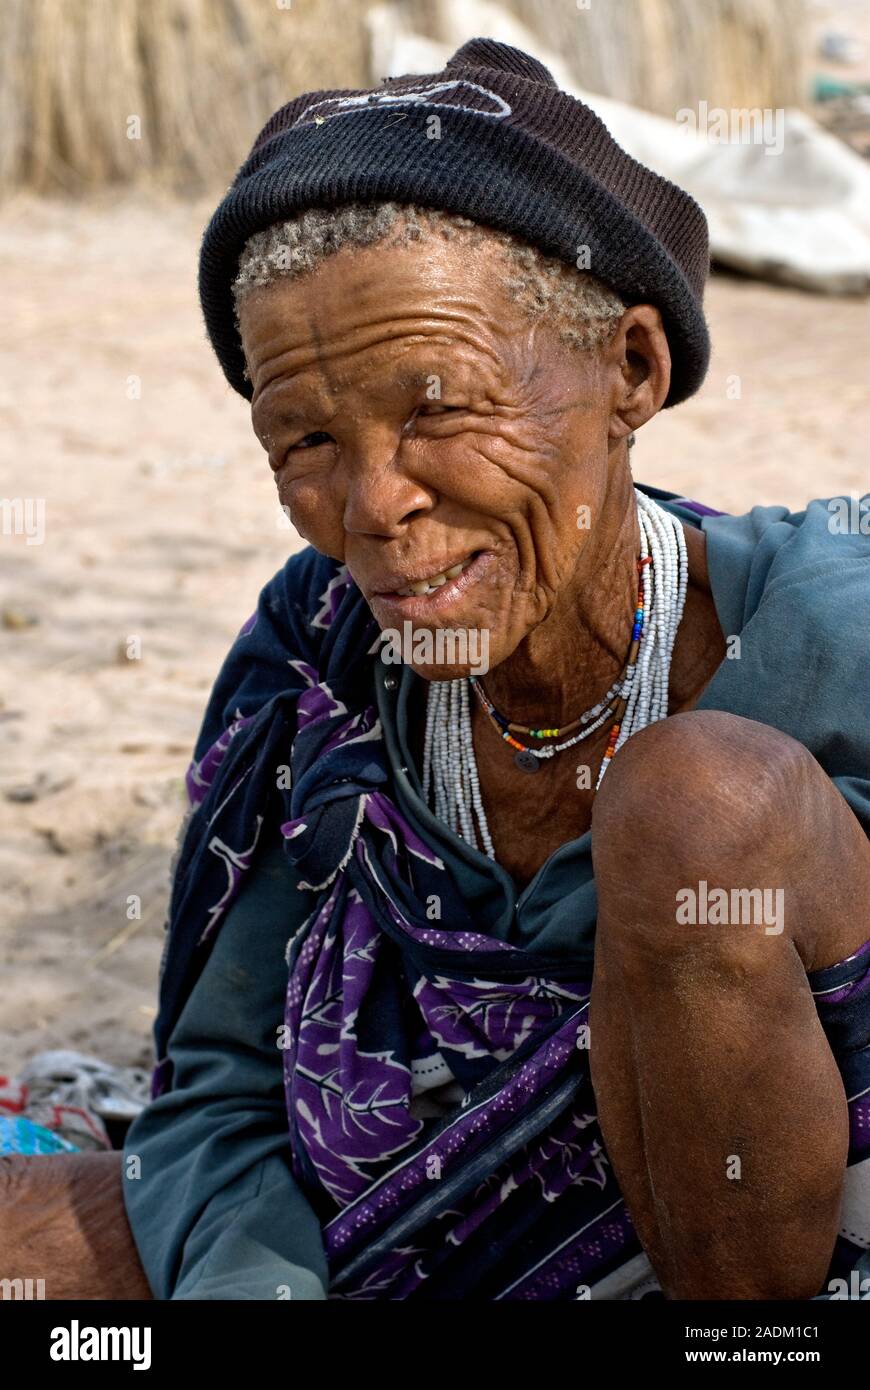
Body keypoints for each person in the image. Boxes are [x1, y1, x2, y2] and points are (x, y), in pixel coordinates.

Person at [119, 38, 870, 1300]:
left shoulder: (832, 632)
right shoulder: (319, 656)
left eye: (439, 410)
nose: (372, 503)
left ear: (632, 369)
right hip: (403, 1251)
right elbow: (219, 1085)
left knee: (696, 803)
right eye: (303, 436)